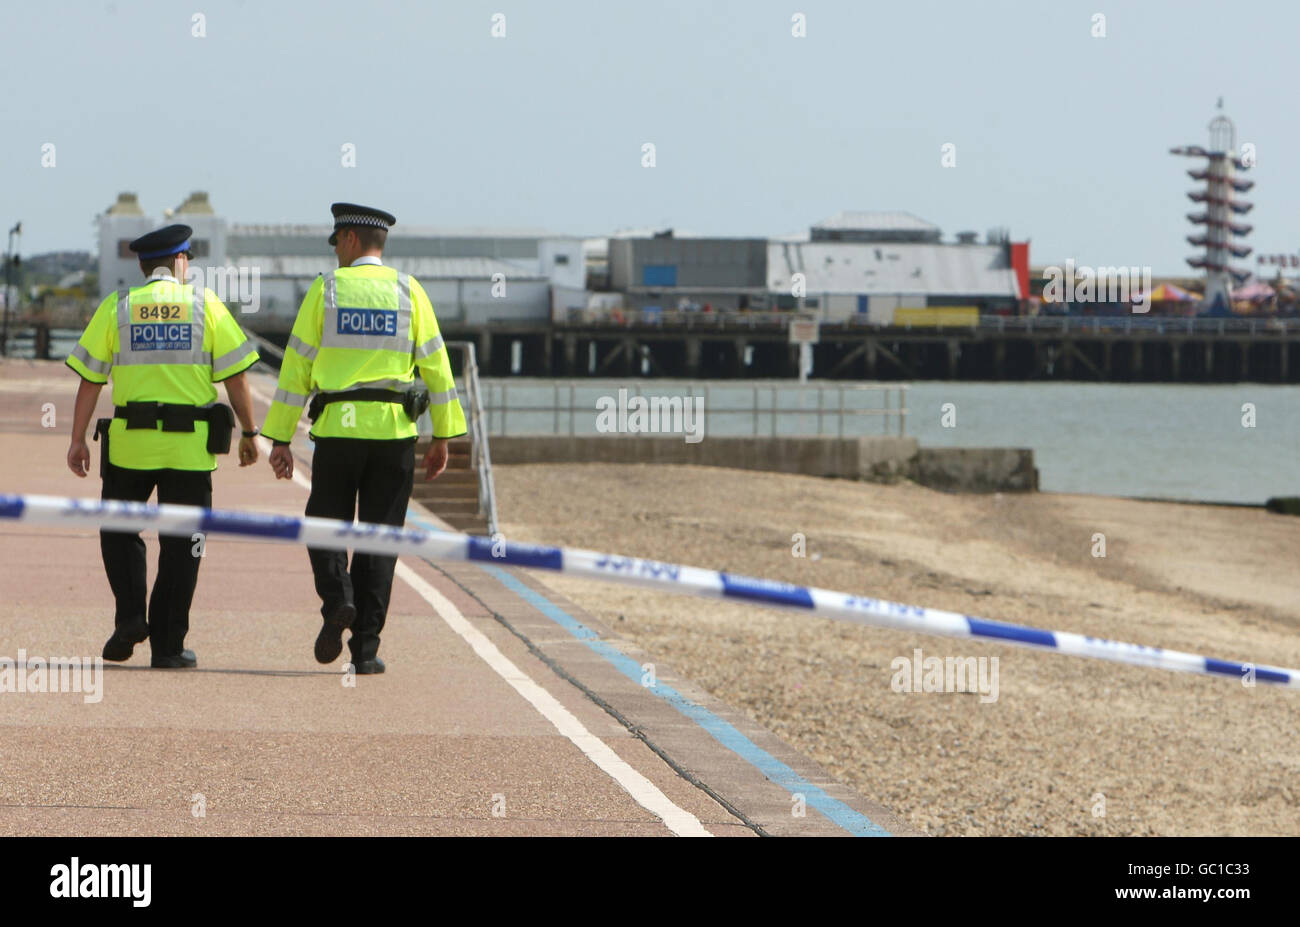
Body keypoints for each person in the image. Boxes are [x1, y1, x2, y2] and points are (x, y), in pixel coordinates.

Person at [261, 203, 467, 675]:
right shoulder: (409, 291)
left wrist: (279, 436)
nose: (335, 253)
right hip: (394, 435)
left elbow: (297, 366)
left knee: (325, 525)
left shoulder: (327, 290)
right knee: (380, 539)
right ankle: (366, 650)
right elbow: (436, 364)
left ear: (350, 239)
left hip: (338, 432)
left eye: (337, 243)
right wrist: (443, 434)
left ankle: (338, 598)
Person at [65, 224, 261, 668]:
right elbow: (237, 376)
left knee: (119, 532)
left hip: (129, 448)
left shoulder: (118, 307)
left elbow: (90, 380)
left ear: (141, 265)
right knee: (185, 545)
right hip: (188, 453)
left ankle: (131, 617)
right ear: (181, 262)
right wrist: (250, 433)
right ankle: (169, 647)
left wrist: (77, 439)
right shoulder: (205, 305)